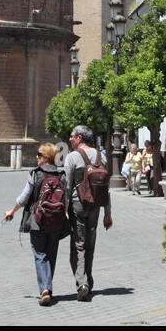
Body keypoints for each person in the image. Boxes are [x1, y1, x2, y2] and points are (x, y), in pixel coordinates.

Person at [3, 143, 66, 305]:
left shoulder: (35, 174)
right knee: (51, 255)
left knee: (40, 255)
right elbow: (66, 200)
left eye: (39, 155)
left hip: (38, 221)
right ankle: (48, 288)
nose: (36, 157)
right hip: (56, 222)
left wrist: (11, 211)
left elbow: (24, 198)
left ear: (45, 158)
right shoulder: (62, 175)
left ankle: (44, 289)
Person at [63, 124, 113, 301]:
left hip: (78, 204)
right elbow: (106, 188)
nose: (70, 139)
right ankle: (88, 280)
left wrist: (64, 208)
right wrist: (108, 213)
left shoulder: (72, 157)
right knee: (90, 243)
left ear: (79, 138)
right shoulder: (102, 157)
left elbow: (67, 187)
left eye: (72, 136)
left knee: (78, 244)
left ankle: (82, 282)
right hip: (96, 206)